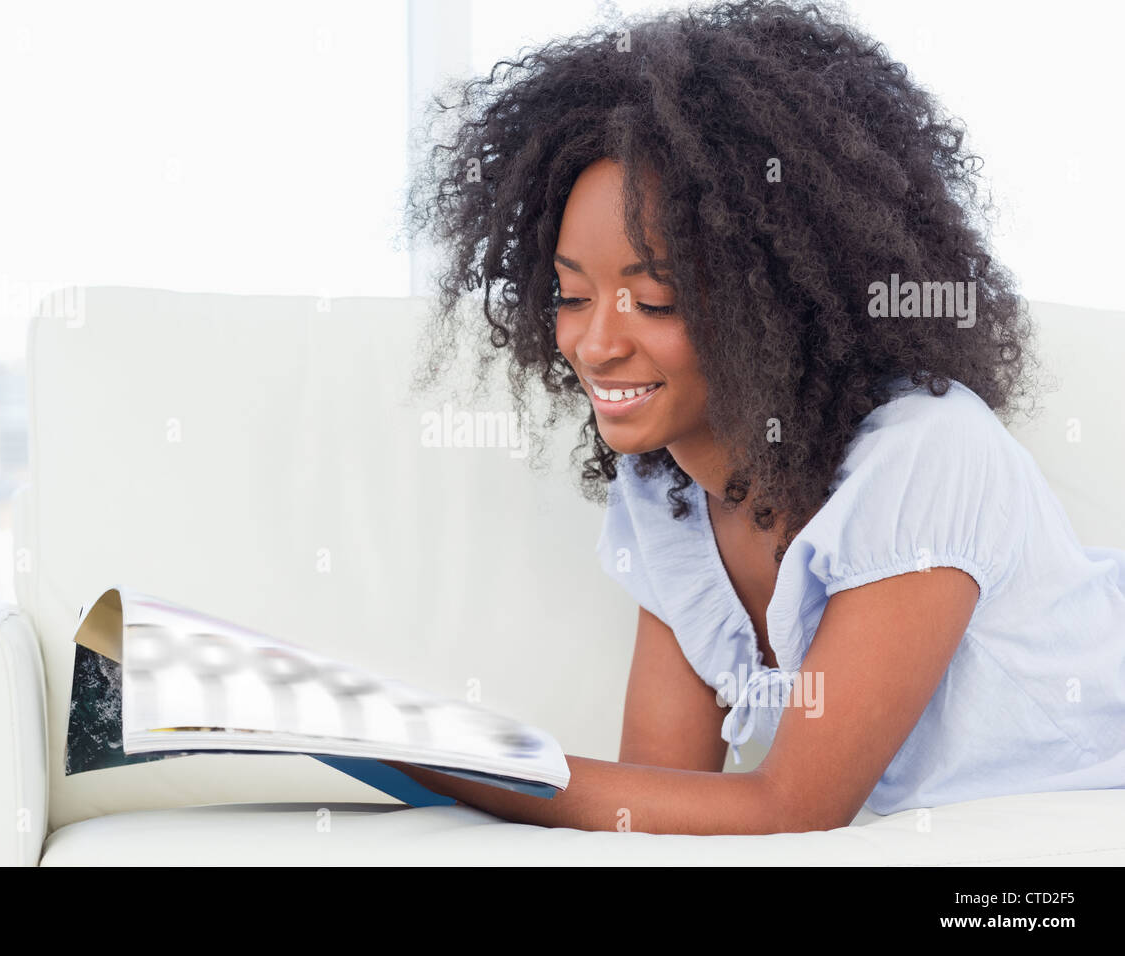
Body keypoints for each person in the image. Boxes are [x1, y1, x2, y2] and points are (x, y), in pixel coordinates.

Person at [384, 0, 1125, 834]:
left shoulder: (928, 455)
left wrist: (450, 765)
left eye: (653, 300)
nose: (594, 344)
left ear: (775, 303)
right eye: (571, 295)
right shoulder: (662, 496)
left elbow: (792, 808)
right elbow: (658, 797)